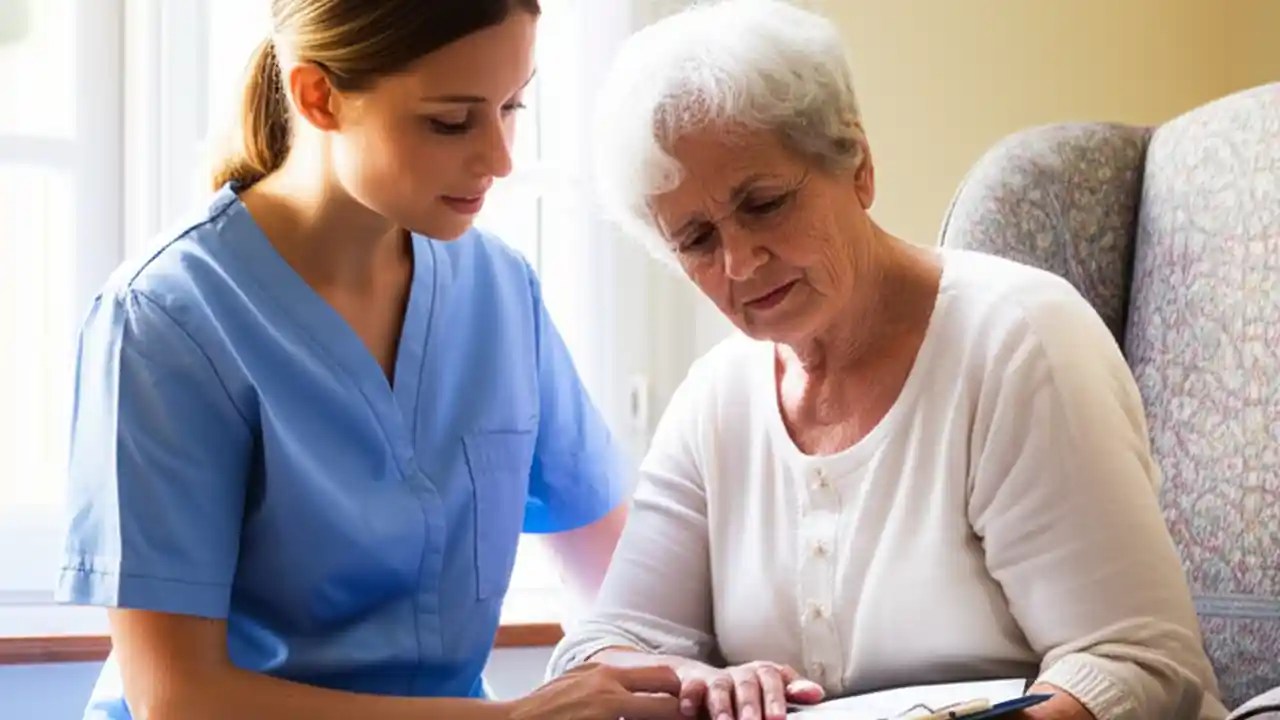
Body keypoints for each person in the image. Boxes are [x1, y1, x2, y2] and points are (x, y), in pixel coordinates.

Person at [548, 2, 1229, 719]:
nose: (740, 262)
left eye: (765, 203)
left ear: (858, 166)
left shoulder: (1019, 341)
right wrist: (696, 681)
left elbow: (1141, 663)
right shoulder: (715, 400)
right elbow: (606, 644)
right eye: (696, 240)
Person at [55, 2, 684, 718]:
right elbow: (177, 696)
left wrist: (690, 676)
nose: (502, 159)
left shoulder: (501, 292)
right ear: (317, 97)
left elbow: (617, 581)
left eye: (513, 106)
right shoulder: (163, 322)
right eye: (451, 121)